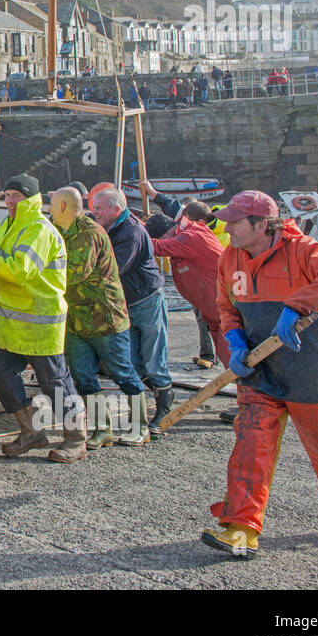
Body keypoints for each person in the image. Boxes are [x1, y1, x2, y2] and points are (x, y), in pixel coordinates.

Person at [202, 190, 318, 559]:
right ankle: (242, 528)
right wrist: (233, 339)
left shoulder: (303, 250)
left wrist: (296, 307)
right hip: (261, 372)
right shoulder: (230, 257)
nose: (226, 227)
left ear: (261, 224)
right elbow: (227, 306)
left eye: (235, 222)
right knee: (250, 448)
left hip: (312, 370)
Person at [0, 173, 85, 462]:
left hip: (39, 323)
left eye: (16, 196)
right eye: (7, 195)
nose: (9, 201)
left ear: (31, 199)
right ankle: (30, 429)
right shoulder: (8, 225)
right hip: (12, 324)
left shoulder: (39, 230)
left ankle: (76, 439)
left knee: (55, 381)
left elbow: (19, 271)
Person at [50, 187, 145, 454]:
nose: (49, 211)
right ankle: (102, 430)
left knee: (123, 373)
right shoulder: (62, 231)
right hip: (78, 320)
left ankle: (140, 427)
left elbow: (75, 273)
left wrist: (36, 271)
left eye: (53, 206)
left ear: (64, 207)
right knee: (83, 376)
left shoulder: (89, 233)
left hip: (105, 318)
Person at [90, 186, 172, 438]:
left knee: (154, 359)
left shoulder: (131, 232)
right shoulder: (110, 227)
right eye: (93, 208)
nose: (95, 213)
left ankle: (164, 409)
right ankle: (143, 412)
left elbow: (114, 268)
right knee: (133, 362)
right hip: (127, 304)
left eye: (99, 209)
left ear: (117, 209)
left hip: (146, 301)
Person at [141, 188, 228, 366]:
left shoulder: (190, 236)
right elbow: (176, 210)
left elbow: (158, 246)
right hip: (209, 305)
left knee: (235, 358)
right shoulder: (185, 227)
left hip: (222, 304)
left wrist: (131, 232)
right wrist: (154, 195)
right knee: (227, 355)